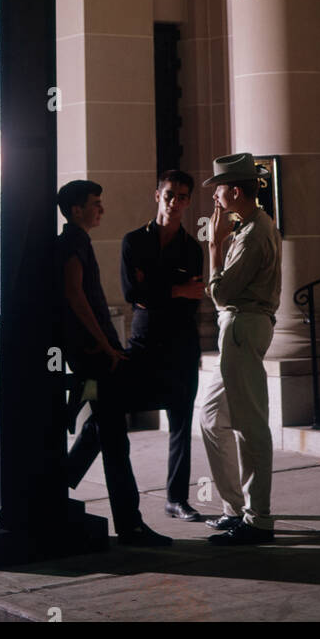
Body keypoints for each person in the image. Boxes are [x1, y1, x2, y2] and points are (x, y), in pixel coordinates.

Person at [56, 178, 171, 547]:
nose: (101, 209)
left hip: (92, 357)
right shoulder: (73, 241)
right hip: (93, 356)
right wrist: (106, 346)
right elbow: (74, 295)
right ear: (76, 210)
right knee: (115, 438)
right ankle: (130, 524)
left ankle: (60, 480)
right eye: (95, 203)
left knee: (104, 423)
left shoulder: (76, 239)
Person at [199, 152, 282, 546]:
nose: (214, 197)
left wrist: (214, 246)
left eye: (218, 190)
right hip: (236, 327)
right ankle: (235, 508)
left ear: (234, 191)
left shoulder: (254, 233)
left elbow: (221, 293)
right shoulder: (249, 226)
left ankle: (258, 519)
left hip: (243, 326)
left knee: (250, 425)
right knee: (213, 417)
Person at [120, 170, 205, 521]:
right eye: (170, 194)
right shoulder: (133, 242)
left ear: (188, 202)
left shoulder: (192, 248)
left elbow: (195, 297)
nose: (175, 202)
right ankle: (66, 476)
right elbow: (132, 294)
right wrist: (175, 288)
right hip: (143, 342)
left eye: (182, 197)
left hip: (182, 343)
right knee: (111, 409)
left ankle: (176, 499)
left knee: (181, 422)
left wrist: (155, 289)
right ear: (158, 195)